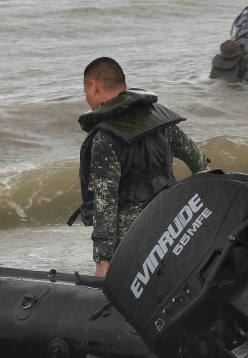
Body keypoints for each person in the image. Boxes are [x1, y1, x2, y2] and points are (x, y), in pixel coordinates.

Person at [74, 57, 209, 277]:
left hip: (133, 238)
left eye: (85, 91)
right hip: (173, 218)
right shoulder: (156, 116)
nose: (86, 97)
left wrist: (103, 259)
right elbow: (198, 161)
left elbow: (105, 201)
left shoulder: (104, 138)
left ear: (94, 86)